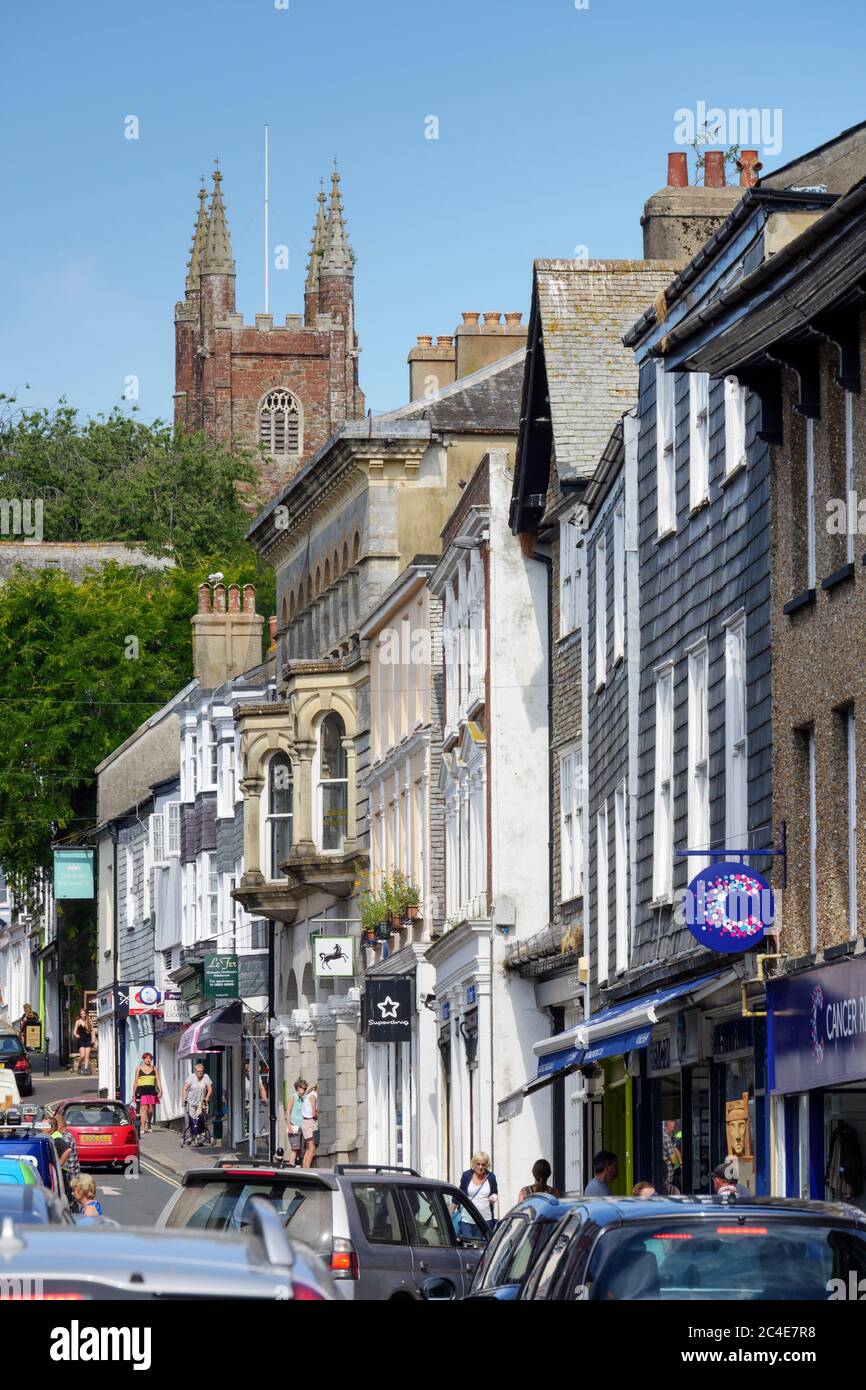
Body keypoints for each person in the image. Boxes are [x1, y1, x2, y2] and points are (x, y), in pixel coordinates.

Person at [459, 1152, 498, 1232]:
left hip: (485, 1220)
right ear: (474, 1164)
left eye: (483, 1165)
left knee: (483, 1244)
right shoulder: (466, 1175)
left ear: (487, 1165)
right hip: (467, 1219)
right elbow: (459, 1194)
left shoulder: (491, 1177)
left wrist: (494, 1197)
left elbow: (494, 1192)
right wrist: (450, 1212)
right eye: (478, 1164)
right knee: (468, 1244)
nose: (480, 1167)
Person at [182, 1061, 213, 1147]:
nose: (200, 1073)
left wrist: (207, 1097)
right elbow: (184, 1088)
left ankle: (200, 1139)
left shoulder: (206, 1077)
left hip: (201, 1103)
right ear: (195, 1071)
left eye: (201, 1071)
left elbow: (210, 1089)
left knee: (200, 1120)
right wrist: (183, 1099)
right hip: (191, 1102)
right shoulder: (191, 1077)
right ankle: (189, 1137)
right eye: (198, 1071)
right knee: (190, 1120)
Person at [132, 1052, 163, 1134]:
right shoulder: (139, 1068)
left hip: (151, 1090)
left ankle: (149, 1124)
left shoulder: (154, 1069)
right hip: (141, 1090)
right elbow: (135, 1082)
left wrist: (161, 1090)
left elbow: (158, 1081)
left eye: (150, 1058)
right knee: (143, 1109)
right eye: (146, 1058)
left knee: (150, 1109)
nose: (148, 1060)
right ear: (143, 1059)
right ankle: (142, 1126)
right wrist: (133, 1093)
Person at [51, 1123, 81, 1202]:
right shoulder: (64, 1135)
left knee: (71, 1198)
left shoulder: (62, 1137)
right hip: (70, 1170)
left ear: (60, 1126)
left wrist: (60, 1162)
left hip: (69, 1172)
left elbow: (67, 1150)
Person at [286, 1078, 307, 1166]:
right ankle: (291, 1165)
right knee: (295, 1149)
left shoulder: (302, 1099)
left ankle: (297, 1165)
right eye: (304, 1088)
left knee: (300, 1150)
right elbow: (287, 1111)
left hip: (302, 1126)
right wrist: (289, 1125)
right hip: (294, 1126)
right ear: (298, 1088)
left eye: (305, 1089)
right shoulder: (293, 1096)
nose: (305, 1090)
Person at [301, 1080, 318, 1168]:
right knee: (312, 1148)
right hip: (309, 1122)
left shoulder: (310, 1094)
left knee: (308, 1148)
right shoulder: (313, 1096)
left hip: (306, 1122)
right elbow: (314, 1113)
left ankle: (305, 1168)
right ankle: (307, 1168)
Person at [71, 1007, 93, 1076]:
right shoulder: (78, 1021)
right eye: (81, 1014)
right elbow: (74, 1031)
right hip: (81, 1040)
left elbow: (92, 1031)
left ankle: (86, 1069)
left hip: (88, 1039)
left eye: (83, 1013)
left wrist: (93, 1039)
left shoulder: (89, 1021)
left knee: (87, 1055)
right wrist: (77, 1035)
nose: (82, 1015)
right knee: (82, 1055)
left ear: (86, 1014)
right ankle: (79, 1066)